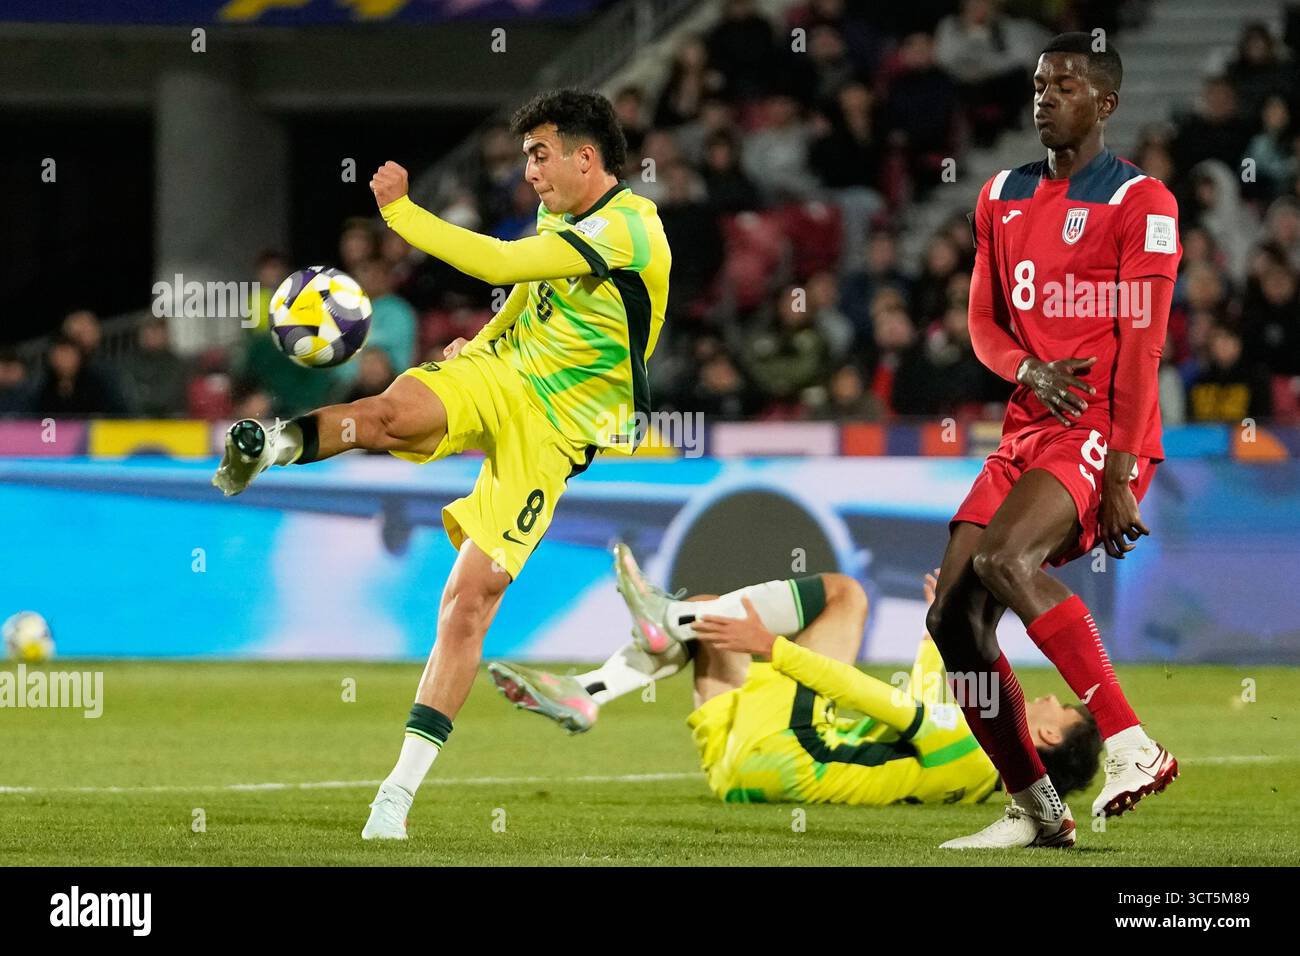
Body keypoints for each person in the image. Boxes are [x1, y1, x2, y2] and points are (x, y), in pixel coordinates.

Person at [211, 89, 671, 840]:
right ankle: (276, 443)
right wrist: (483, 345)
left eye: (539, 155)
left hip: (557, 430)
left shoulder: (630, 230)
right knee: (392, 415)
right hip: (505, 374)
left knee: (469, 603)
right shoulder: (564, 212)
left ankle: (394, 795)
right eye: (526, 158)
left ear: (587, 157)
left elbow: (497, 258)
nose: (529, 172)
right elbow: (524, 295)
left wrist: (402, 213)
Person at [925, 33, 1181, 850]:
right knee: (950, 620)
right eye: (1039, 84)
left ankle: (1133, 744)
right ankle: (1037, 808)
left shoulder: (1144, 203)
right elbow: (981, 321)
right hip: (1027, 429)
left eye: (1065, 85)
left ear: (1104, 105)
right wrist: (1027, 367)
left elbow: (1143, 342)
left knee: (1007, 564)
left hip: (1098, 430)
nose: (1045, 97)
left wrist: (1123, 470)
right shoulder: (999, 194)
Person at [488, 547, 1101, 809]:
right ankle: (590, 691)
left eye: (1060, 705)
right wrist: (935, 630)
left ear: (1046, 739)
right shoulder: (976, 777)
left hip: (790, 748)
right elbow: (922, 702)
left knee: (846, 595)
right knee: (712, 616)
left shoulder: (977, 753)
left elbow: (875, 696)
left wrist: (773, 648)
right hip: (741, 774)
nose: (1048, 694)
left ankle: (661, 621)